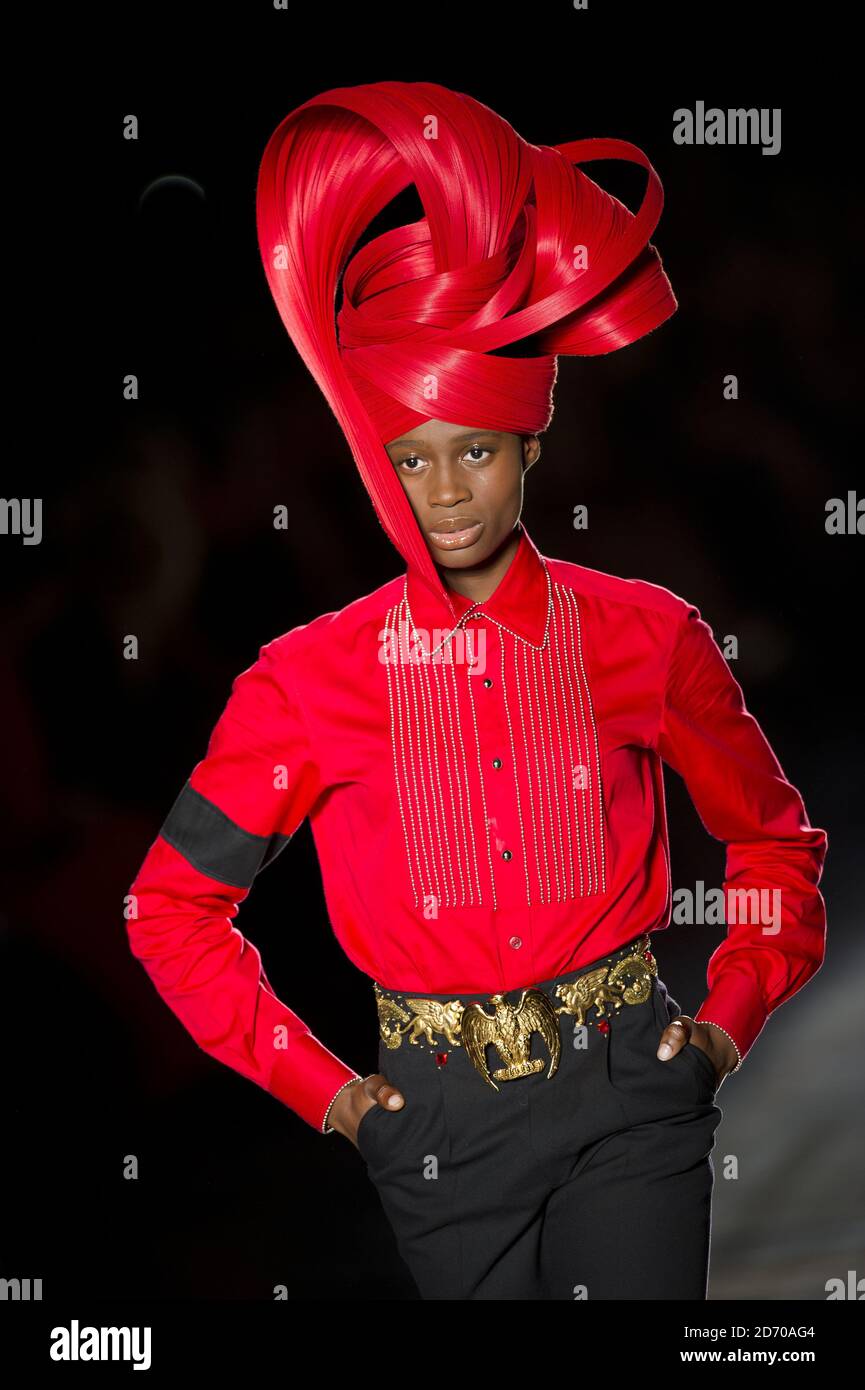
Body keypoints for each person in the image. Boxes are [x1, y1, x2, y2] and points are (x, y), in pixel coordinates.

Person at [126, 81, 828, 1300]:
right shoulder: (304, 682)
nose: (444, 492)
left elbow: (774, 843)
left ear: (529, 447)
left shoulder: (646, 636)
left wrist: (721, 1022)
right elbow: (168, 912)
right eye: (411, 458)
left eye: (475, 452)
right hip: (438, 1132)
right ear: (371, 461)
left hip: (632, 1094)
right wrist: (337, 1097)